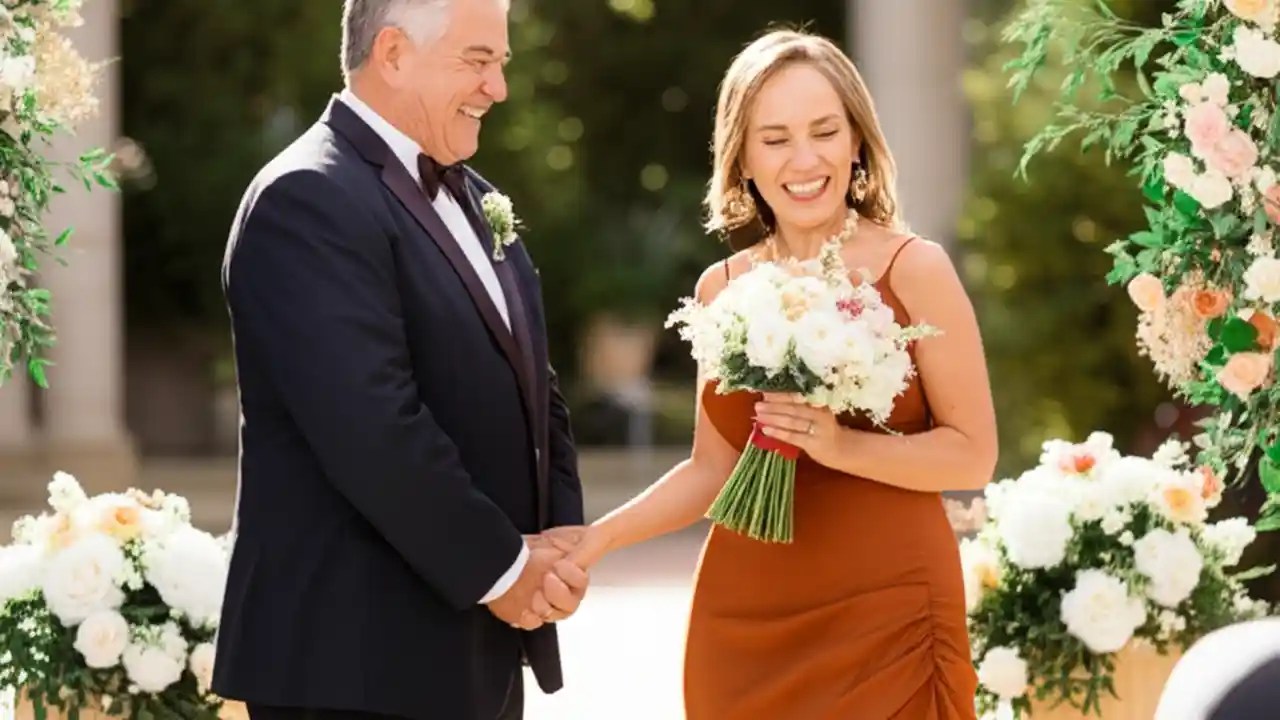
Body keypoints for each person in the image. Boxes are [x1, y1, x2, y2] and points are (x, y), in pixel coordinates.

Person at [547, 29, 997, 719]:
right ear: (743, 158)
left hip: (893, 609)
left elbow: (973, 451)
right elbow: (712, 469)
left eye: (824, 131)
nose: (805, 159)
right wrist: (598, 538)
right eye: (776, 138)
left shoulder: (916, 269)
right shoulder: (720, 288)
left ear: (857, 143)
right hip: (748, 613)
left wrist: (840, 444)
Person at [211, 1, 587, 719]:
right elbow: (373, 426)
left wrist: (555, 548)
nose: (497, 88)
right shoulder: (306, 197)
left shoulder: (476, 197)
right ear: (392, 53)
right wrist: (505, 569)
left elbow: (536, 391)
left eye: (500, 63)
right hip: (353, 664)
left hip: (476, 644)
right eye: (477, 61)